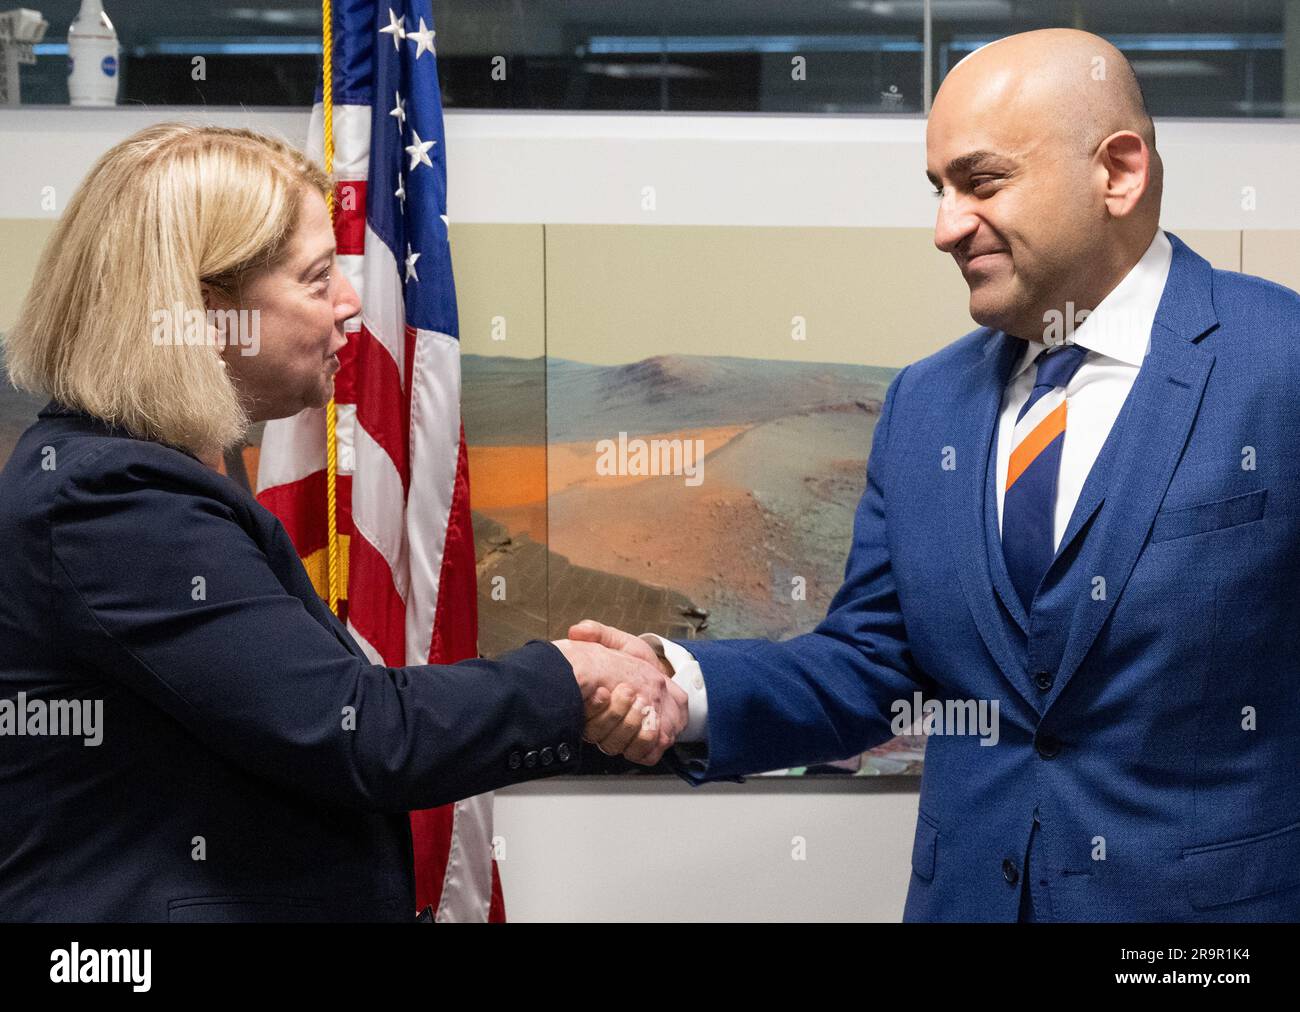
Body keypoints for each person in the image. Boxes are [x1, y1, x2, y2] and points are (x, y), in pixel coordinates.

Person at [576, 28, 1300, 921]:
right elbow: (873, 663)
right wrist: (676, 684)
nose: (944, 227)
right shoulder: (925, 405)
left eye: (981, 182)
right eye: (939, 190)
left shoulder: (1280, 365)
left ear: (1118, 172)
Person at [0, 123, 685, 921]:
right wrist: (573, 675)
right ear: (206, 313)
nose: (353, 303)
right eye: (318, 277)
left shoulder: (142, 474)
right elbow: (358, 733)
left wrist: (602, 707)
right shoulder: (112, 503)